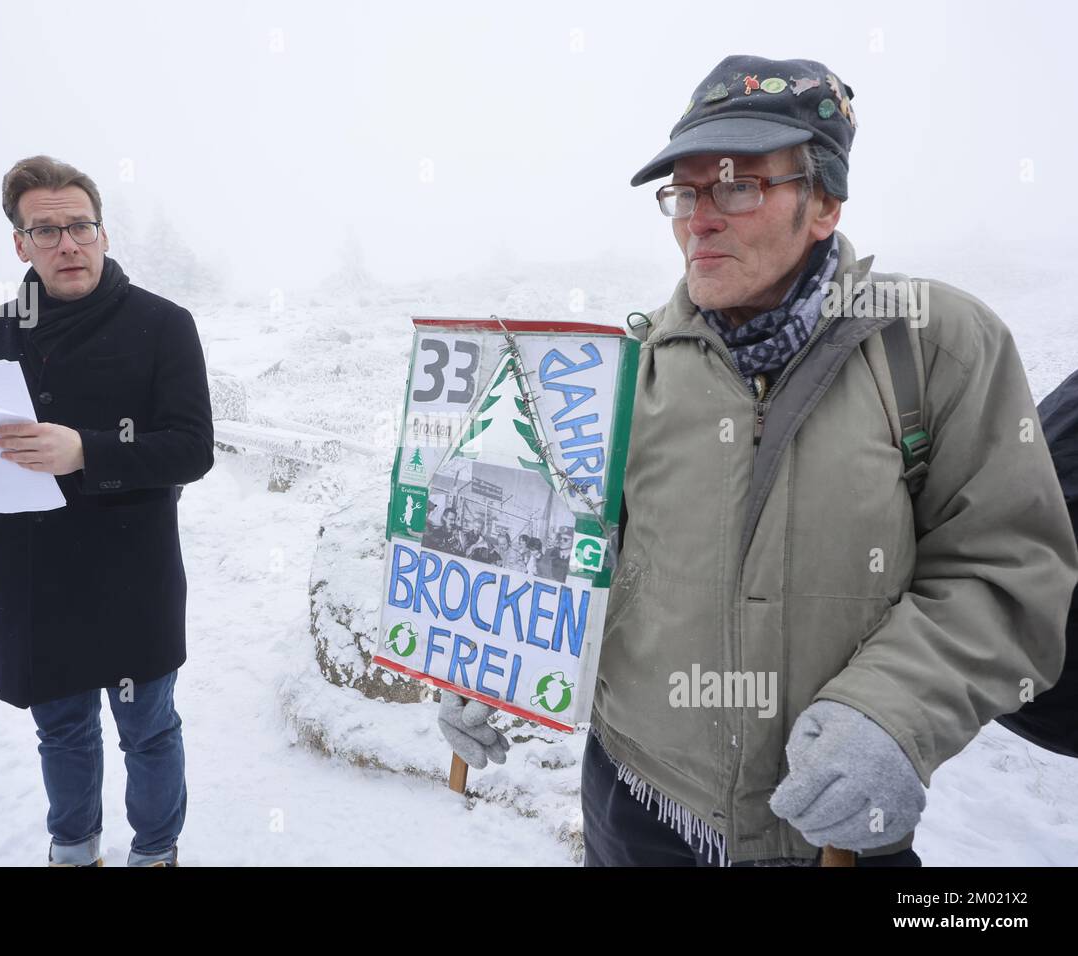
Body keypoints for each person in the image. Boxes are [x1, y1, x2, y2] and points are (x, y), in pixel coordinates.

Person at [438, 55, 1078, 867]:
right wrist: (489, 648)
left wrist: (893, 710)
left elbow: (1006, 571)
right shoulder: (624, 374)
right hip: (630, 812)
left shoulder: (935, 346)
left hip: (831, 834)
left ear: (825, 202)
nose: (697, 218)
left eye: (737, 185)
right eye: (683, 191)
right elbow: (577, 560)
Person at [0, 155, 215, 867]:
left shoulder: (163, 323)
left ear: (102, 232)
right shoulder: (1, 325)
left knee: (148, 728)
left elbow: (192, 449)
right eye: (46, 231)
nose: (67, 243)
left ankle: (156, 853)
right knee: (62, 730)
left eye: (80, 225)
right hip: (33, 566)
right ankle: (74, 850)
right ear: (21, 244)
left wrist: (87, 452)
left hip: (130, 564)